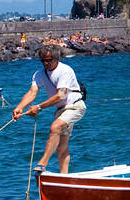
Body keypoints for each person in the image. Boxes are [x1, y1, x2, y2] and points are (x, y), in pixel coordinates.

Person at [12, 44, 86, 173]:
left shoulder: (65, 70)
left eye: (49, 60)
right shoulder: (39, 74)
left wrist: (39, 107)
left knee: (55, 127)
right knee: (62, 146)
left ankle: (42, 163)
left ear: (57, 58)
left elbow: (61, 95)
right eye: (43, 61)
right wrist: (20, 108)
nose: (45, 63)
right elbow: (32, 93)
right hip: (61, 110)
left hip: (75, 106)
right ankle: (64, 177)